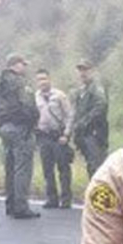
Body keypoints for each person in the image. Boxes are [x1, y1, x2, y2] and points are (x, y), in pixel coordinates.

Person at [0, 52, 40, 219]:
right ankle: (21, 207)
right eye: (23, 64)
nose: (24, 68)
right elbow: (28, 105)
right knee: (23, 168)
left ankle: (10, 204)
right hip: (21, 128)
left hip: (5, 128)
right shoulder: (20, 82)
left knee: (10, 168)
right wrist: (33, 120)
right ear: (16, 64)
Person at [34, 69, 75, 209]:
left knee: (63, 168)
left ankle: (66, 199)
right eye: (39, 79)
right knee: (47, 169)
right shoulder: (36, 97)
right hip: (43, 137)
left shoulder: (59, 95)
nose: (42, 82)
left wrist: (66, 134)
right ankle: (52, 198)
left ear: (49, 79)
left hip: (58, 136)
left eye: (44, 78)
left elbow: (70, 115)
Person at [71, 61, 109, 177]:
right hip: (85, 134)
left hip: (95, 133)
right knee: (90, 165)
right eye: (81, 70)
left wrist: (83, 122)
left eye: (85, 70)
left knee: (97, 166)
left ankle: (99, 193)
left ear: (92, 71)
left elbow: (100, 106)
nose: (83, 73)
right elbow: (77, 112)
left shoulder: (96, 88)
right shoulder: (82, 90)